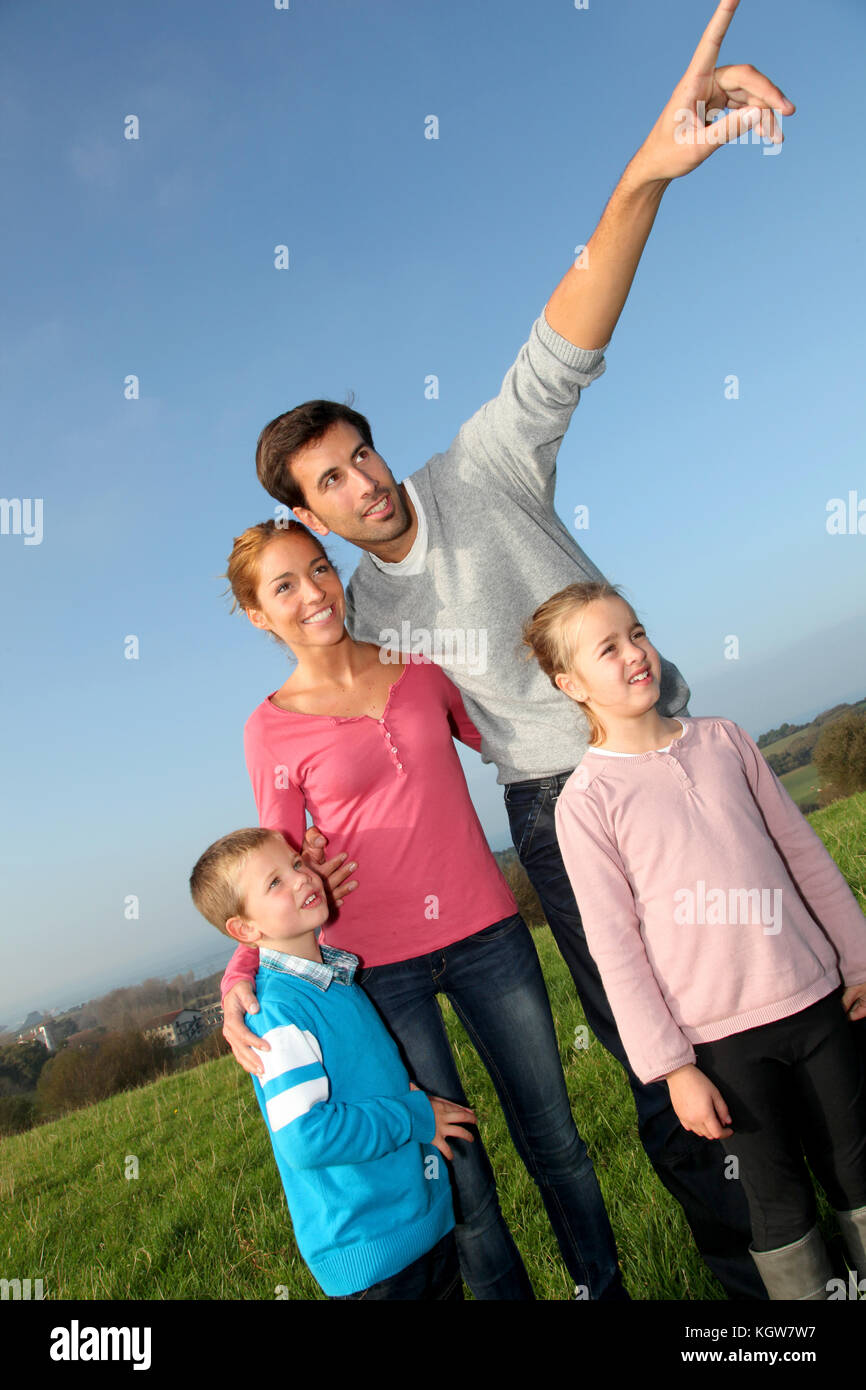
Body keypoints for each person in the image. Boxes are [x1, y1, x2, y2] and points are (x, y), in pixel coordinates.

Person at [224, 1, 795, 1298]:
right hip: (559, 810)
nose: (363, 480)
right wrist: (243, 964)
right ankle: (752, 1277)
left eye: (360, 450)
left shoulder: (482, 463)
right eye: (330, 481)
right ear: (306, 520)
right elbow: (293, 790)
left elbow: (573, 312)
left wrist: (647, 167)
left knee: (783, 982)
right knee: (656, 1045)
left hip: (675, 751)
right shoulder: (351, 616)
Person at [218, 519, 628, 1301]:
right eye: (284, 587)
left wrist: (626, 738)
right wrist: (240, 971)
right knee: (458, 1171)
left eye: (318, 569)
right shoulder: (268, 730)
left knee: (558, 1144)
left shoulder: (418, 667)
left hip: (488, 935)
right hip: (378, 970)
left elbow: (514, 741)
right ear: (258, 616)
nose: (312, 593)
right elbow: (269, 858)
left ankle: (602, 1292)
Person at [523, 579, 866, 1300]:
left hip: (815, 1002)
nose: (633, 655)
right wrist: (673, 1068)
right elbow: (614, 950)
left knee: (858, 1165)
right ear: (569, 682)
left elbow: (803, 852)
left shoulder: (725, 739)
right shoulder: (586, 803)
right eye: (606, 648)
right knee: (777, 1203)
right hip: (722, 1043)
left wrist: (857, 956)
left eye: (637, 634)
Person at [190, 826, 466, 1300]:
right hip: (372, 1256)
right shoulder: (278, 1013)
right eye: (274, 883)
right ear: (246, 930)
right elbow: (306, 1138)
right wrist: (415, 1116)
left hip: (415, 1225)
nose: (300, 878)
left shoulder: (334, 981)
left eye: (296, 863)